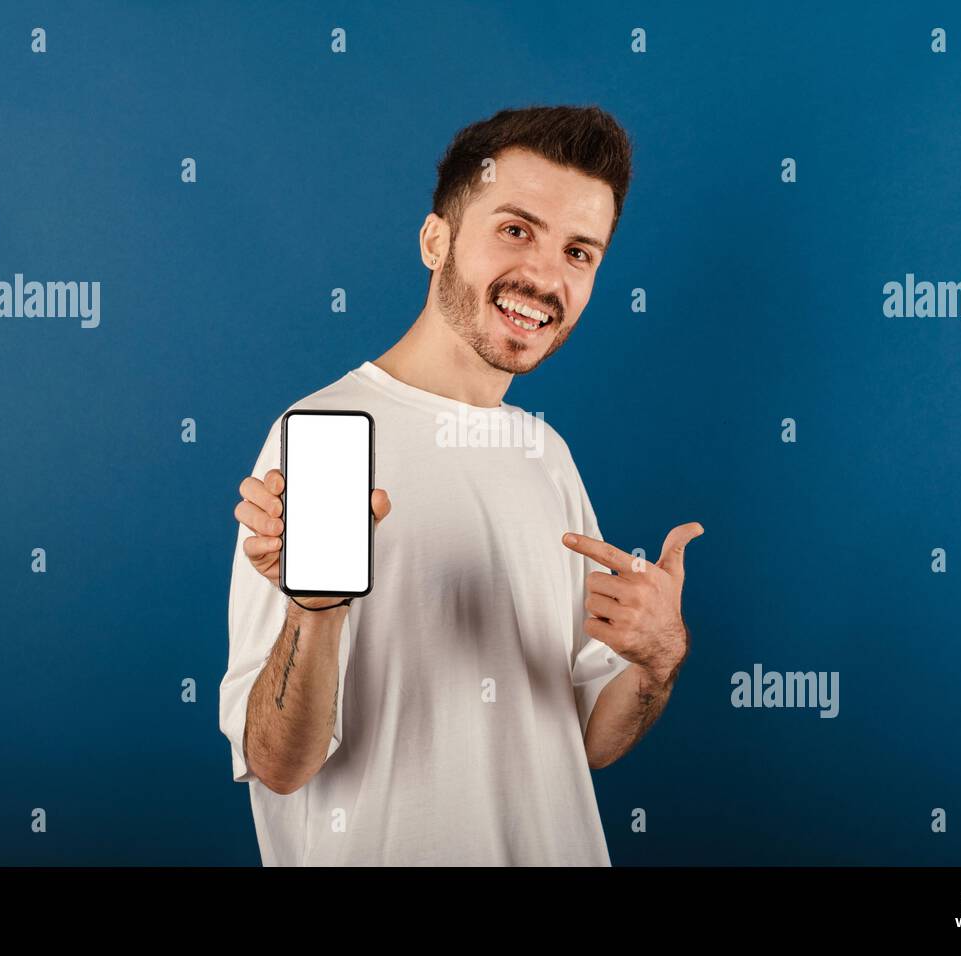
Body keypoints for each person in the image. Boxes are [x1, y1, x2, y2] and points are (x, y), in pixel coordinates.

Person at [220, 105, 703, 866]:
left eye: (580, 252)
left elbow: (588, 741)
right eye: (517, 230)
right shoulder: (324, 434)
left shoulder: (546, 453)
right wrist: (314, 613)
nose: (545, 277)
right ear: (435, 240)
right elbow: (279, 766)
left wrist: (656, 661)